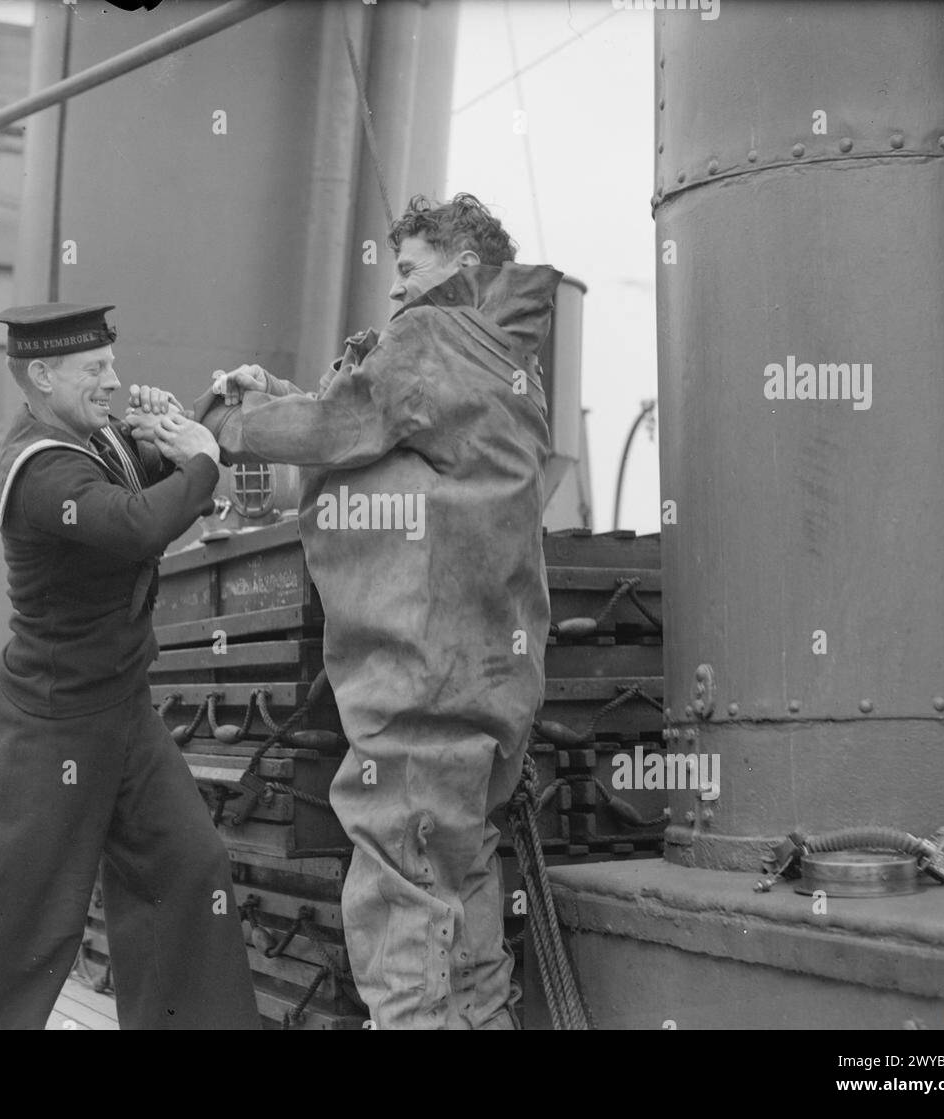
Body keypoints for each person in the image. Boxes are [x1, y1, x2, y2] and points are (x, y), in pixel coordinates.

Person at [174, 194, 561, 1029]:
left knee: (400, 888)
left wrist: (226, 427)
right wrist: (282, 394)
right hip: (497, 684)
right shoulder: (513, 362)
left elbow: (343, 422)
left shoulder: (428, 338)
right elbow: (385, 429)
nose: (396, 294)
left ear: (461, 267)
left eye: (410, 270)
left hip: (420, 680)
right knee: (462, 874)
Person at [0, 302, 258, 1030]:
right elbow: (137, 522)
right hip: (52, 729)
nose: (115, 382)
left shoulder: (83, 440)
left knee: (186, 868)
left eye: (113, 365)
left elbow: (141, 468)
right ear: (43, 376)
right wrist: (205, 457)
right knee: (24, 918)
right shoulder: (42, 470)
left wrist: (210, 403)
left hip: (122, 713)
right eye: (96, 370)